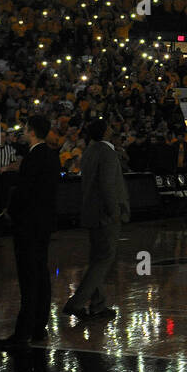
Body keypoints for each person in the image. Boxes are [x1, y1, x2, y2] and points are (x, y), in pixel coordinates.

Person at [0, 115, 59, 348]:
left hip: (28, 225)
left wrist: (9, 210)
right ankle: (39, 326)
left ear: (31, 131)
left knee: (29, 278)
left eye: (25, 129)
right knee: (41, 275)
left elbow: (25, 192)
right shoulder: (51, 155)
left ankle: (23, 332)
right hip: (43, 224)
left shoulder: (33, 158)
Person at [64, 118, 129, 321]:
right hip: (105, 215)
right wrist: (115, 211)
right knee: (103, 260)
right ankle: (75, 304)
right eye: (109, 126)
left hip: (91, 212)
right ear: (106, 131)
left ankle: (99, 305)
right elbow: (108, 185)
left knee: (96, 260)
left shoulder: (89, 151)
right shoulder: (107, 152)